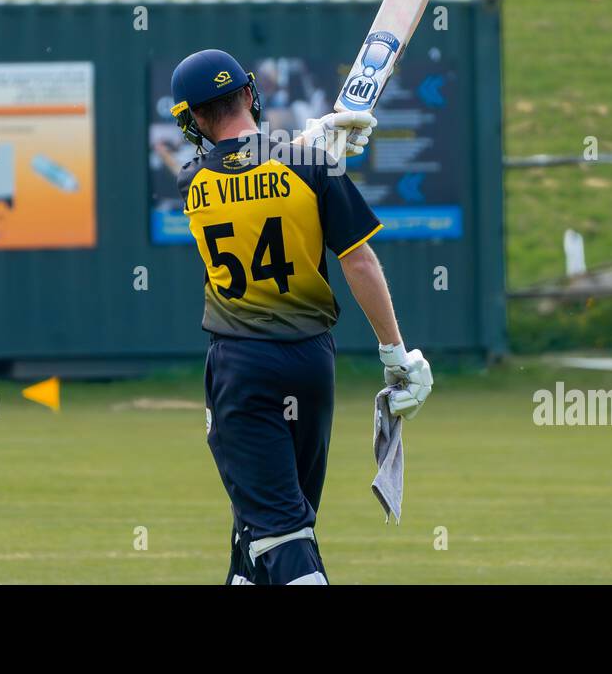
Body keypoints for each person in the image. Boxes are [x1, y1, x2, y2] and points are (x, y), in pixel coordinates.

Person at [169, 48, 433, 585]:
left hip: (241, 367)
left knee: (281, 530)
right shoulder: (311, 166)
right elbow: (358, 260)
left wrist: (316, 141)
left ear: (194, 118)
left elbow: (241, 168)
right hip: (311, 364)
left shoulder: (192, 181)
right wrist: (394, 352)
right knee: (262, 530)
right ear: (249, 93)